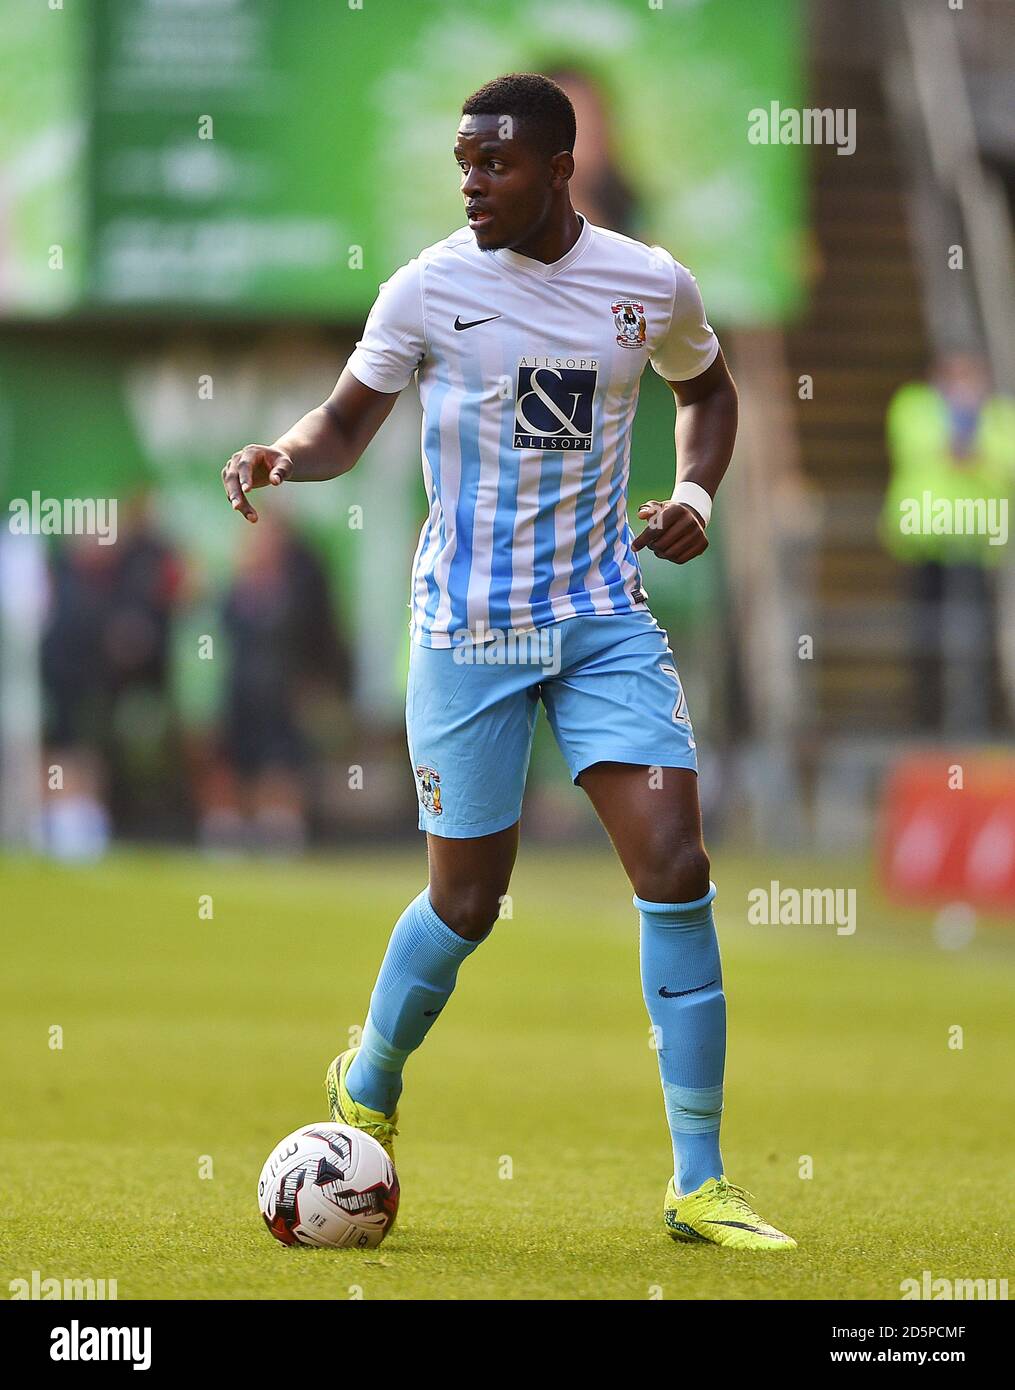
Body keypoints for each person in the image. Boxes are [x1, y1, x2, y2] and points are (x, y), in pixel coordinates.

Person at [222, 73, 794, 1250]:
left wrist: (691, 490)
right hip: (470, 631)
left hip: (599, 621)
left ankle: (699, 1181)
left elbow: (710, 392)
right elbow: (344, 420)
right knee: (468, 900)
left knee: (675, 863)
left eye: (497, 165)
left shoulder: (648, 283)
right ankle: (370, 1069)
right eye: (463, 164)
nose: (473, 185)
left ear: (559, 169)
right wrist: (284, 453)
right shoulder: (428, 290)